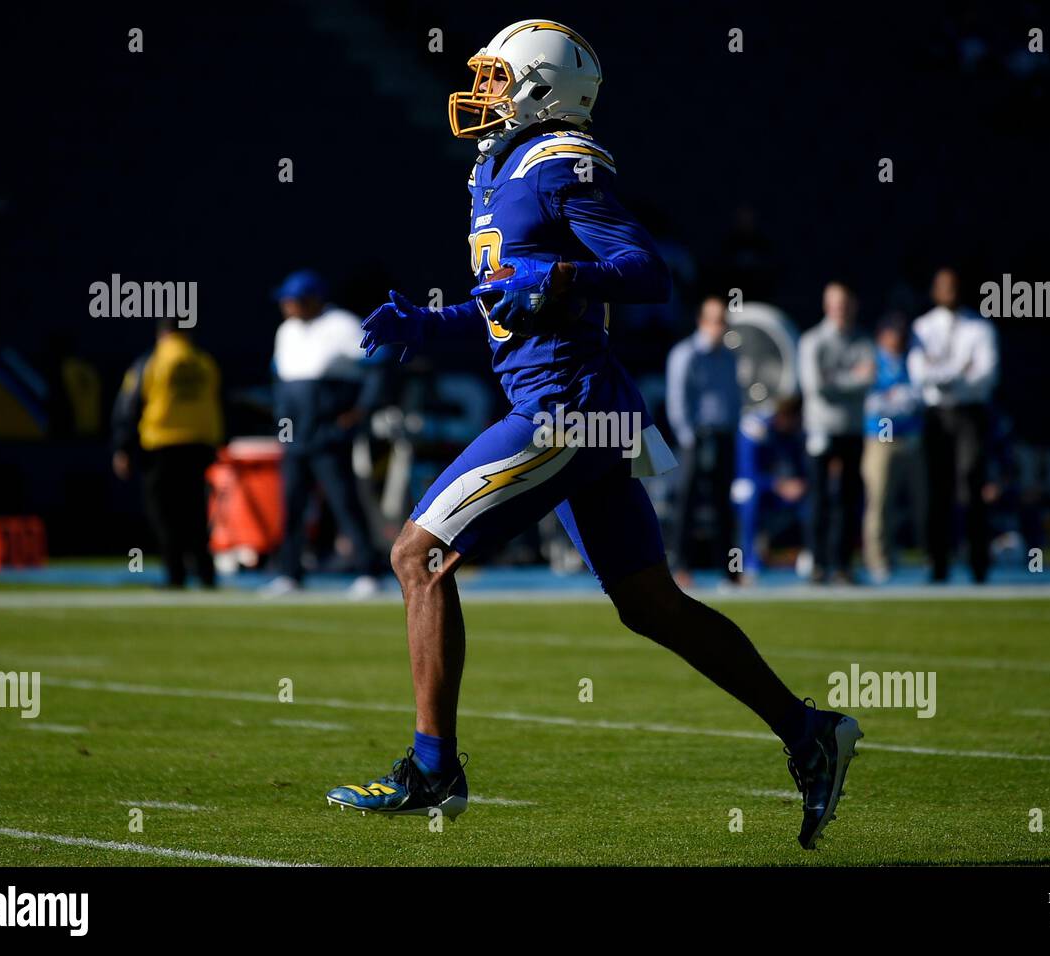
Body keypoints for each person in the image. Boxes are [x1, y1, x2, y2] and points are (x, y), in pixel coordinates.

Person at [327, 19, 861, 851]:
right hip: (574, 405)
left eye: (499, 78)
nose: (484, 91)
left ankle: (435, 767)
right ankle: (807, 730)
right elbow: (512, 306)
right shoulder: (493, 172)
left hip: (566, 408)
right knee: (650, 604)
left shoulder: (560, 163)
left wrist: (561, 274)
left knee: (417, 555)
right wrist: (430, 327)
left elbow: (648, 273)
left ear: (543, 87)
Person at [264, 269, 383, 598]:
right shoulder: (286, 331)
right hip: (295, 433)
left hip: (327, 432)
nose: (287, 307)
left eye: (294, 301)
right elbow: (282, 379)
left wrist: (359, 412)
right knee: (293, 503)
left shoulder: (342, 325)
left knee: (343, 500)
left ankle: (368, 572)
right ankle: (290, 573)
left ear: (313, 300)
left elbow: (377, 366)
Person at [112, 318, 223, 589]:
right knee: (196, 511)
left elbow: (129, 405)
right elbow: (215, 402)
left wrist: (122, 446)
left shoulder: (151, 362)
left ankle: (176, 575)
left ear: (162, 333)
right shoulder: (204, 362)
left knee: (164, 514)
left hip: (161, 445)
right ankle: (206, 574)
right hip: (199, 444)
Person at [908, 267, 999, 583]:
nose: (950, 292)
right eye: (944, 287)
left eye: (955, 286)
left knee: (971, 486)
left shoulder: (980, 328)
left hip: (970, 415)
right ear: (934, 290)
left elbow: (986, 375)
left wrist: (944, 374)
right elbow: (919, 375)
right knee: (937, 490)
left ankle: (978, 563)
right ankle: (937, 563)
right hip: (936, 416)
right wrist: (959, 371)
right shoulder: (922, 327)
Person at [798, 282, 875, 584]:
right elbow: (817, 386)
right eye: (835, 303)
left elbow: (868, 379)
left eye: (845, 303)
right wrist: (851, 380)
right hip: (820, 428)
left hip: (852, 429)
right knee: (819, 499)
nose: (840, 309)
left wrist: (837, 381)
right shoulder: (812, 341)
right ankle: (818, 563)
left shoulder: (862, 340)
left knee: (848, 498)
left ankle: (843, 565)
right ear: (826, 305)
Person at [665, 295, 742, 585]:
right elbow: (677, 401)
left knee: (724, 503)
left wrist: (733, 428)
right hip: (695, 438)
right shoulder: (685, 354)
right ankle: (681, 566)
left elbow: (733, 397)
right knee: (687, 503)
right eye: (715, 320)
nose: (720, 327)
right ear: (702, 322)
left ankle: (730, 571)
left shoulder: (729, 356)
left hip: (723, 436)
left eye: (724, 320)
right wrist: (688, 437)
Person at [861, 314, 924, 583]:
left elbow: (919, 396)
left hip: (911, 439)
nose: (896, 338)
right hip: (880, 439)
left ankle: (926, 556)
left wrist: (899, 399)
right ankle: (878, 559)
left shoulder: (914, 359)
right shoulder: (872, 360)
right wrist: (896, 400)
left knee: (921, 500)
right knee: (879, 501)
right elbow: (871, 401)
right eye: (891, 333)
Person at [732, 395, 810, 578]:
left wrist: (800, 484)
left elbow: (801, 468)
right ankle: (749, 559)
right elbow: (748, 473)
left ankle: (813, 554)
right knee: (749, 495)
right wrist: (779, 484)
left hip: (781, 488)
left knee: (812, 498)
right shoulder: (755, 428)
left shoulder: (793, 433)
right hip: (755, 486)